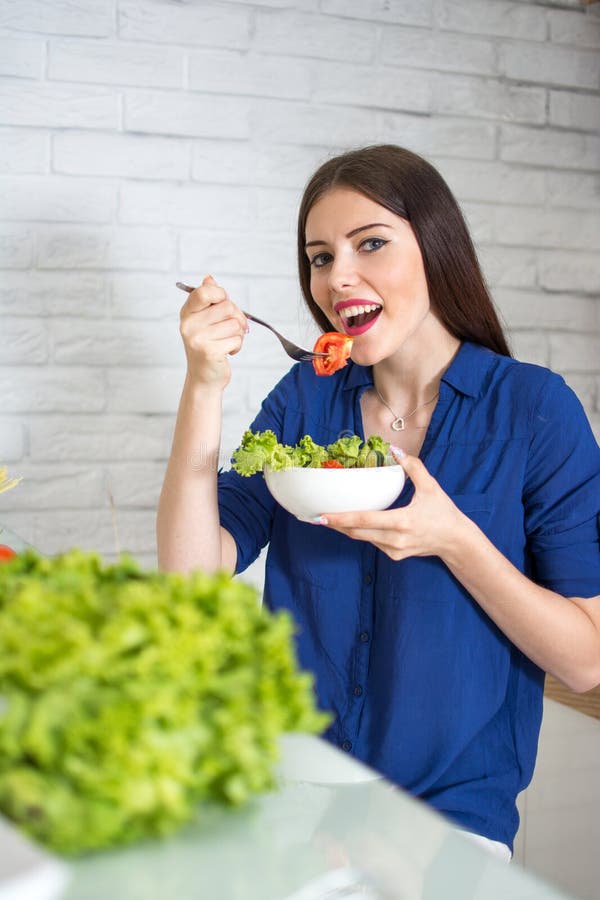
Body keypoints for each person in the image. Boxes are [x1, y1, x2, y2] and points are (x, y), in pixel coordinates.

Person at [157, 144, 600, 860]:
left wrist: (454, 539)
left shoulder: (532, 410)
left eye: (371, 244)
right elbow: (189, 576)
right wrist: (203, 387)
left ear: (437, 248)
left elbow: (586, 662)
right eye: (321, 256)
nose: (339, 277)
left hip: (445, 832)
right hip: (291, 799)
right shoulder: (305, 398)